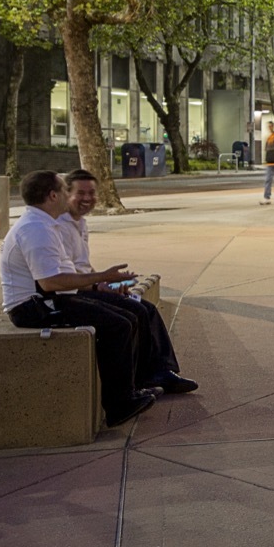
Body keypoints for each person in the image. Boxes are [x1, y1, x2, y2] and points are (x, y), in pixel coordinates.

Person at [0, 171, 158, 426]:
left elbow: (61, 278)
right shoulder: (35, 229)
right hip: (33, 308)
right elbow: (51, 282)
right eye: (64, 190)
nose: (67, 195)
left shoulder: (44, 224)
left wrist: (99, 283)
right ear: (52, 196)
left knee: (129, 315)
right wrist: (102, 276)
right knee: (118, 325)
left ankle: (132, 390)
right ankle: (119, 404)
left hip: (51, 301)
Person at [59, 169, 195, 395]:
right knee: (134, 312)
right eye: (80, 193)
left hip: (89, 286)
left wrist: (110, 284)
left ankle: (163, 371)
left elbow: (84, 267)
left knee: (146, 308)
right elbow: (66, 278)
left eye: (92, 193)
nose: (87, 199)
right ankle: (141, 380)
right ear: (66, 194)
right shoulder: (60, 227)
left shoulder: (79, 223)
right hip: (72, 292)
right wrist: (101, 285)